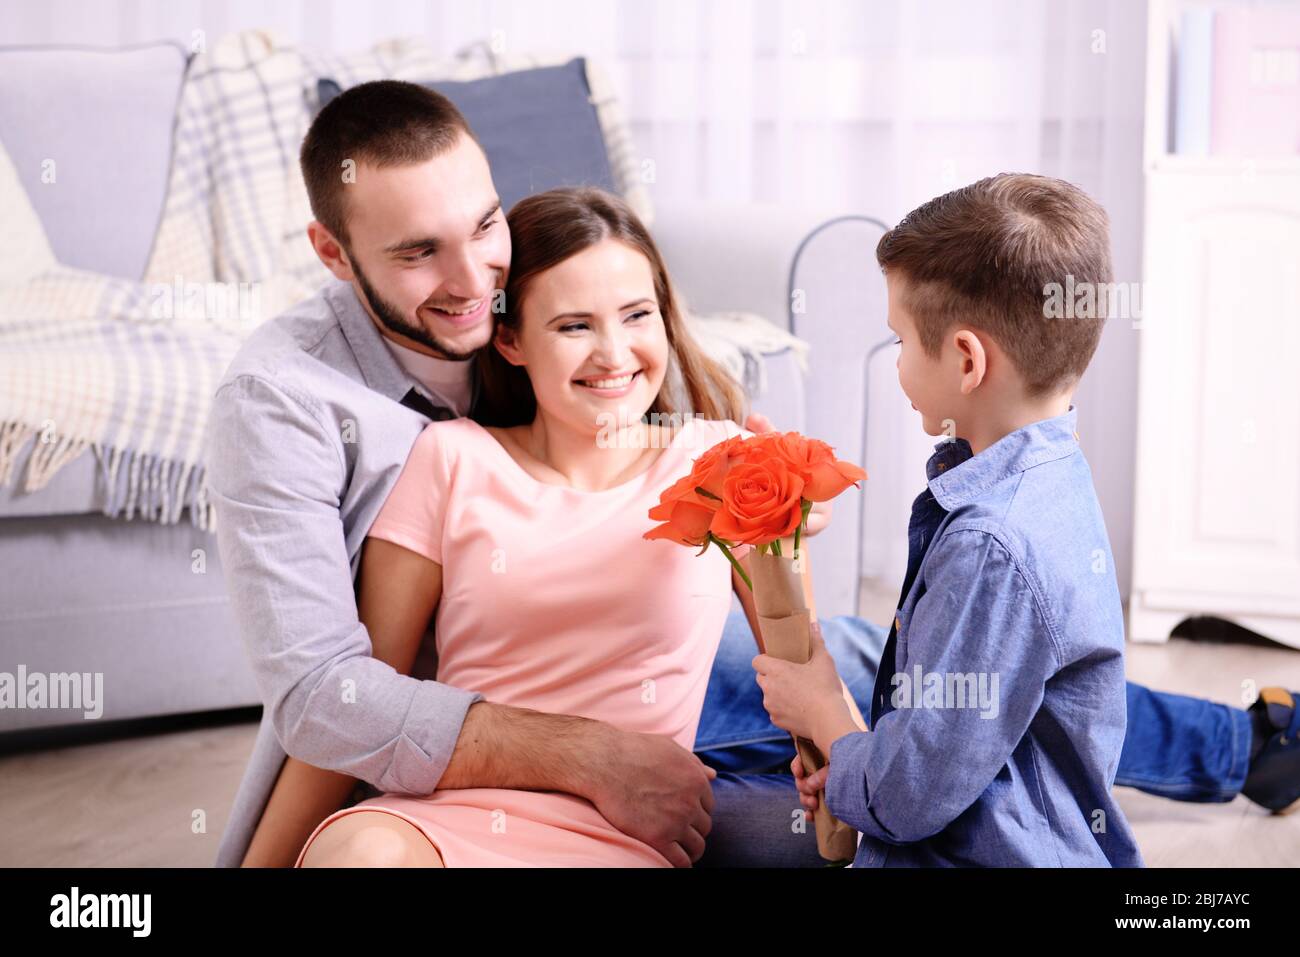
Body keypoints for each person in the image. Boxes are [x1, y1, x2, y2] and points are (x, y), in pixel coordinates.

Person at [207, 81, 1298, 869]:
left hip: (644, 641)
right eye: (416, 256)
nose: (470, 278)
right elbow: (324, 697)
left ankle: (1244, 746)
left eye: (484, 228)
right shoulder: (291, 405)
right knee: (898, 686)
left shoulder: (581, 342)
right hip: (473, 724)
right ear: (335, 254)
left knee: (897, 671)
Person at [756, 173, 1144, 866]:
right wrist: (854, 761)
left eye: (900, 341)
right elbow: (951, 737)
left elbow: (908, 795)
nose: (898, 361)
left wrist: (824, 716)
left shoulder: (989, 546)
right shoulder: (1053, 472)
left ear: (966, 360)